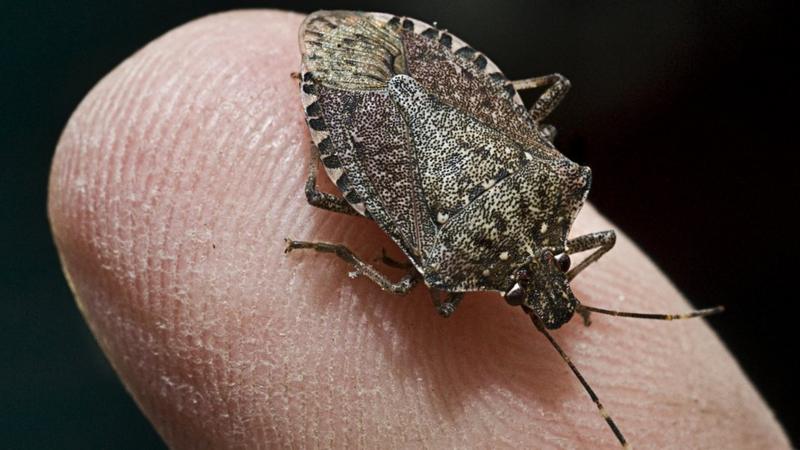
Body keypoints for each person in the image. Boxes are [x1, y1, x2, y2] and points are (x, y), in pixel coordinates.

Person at [48, 10, 789, 449]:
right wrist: (334, 240)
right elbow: (420, 278)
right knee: (372, 243)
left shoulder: (547, 202)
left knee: (348, 205)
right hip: (398, 128)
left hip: (410, 103)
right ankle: (331, 231)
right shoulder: (465, 267)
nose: (552, 306)